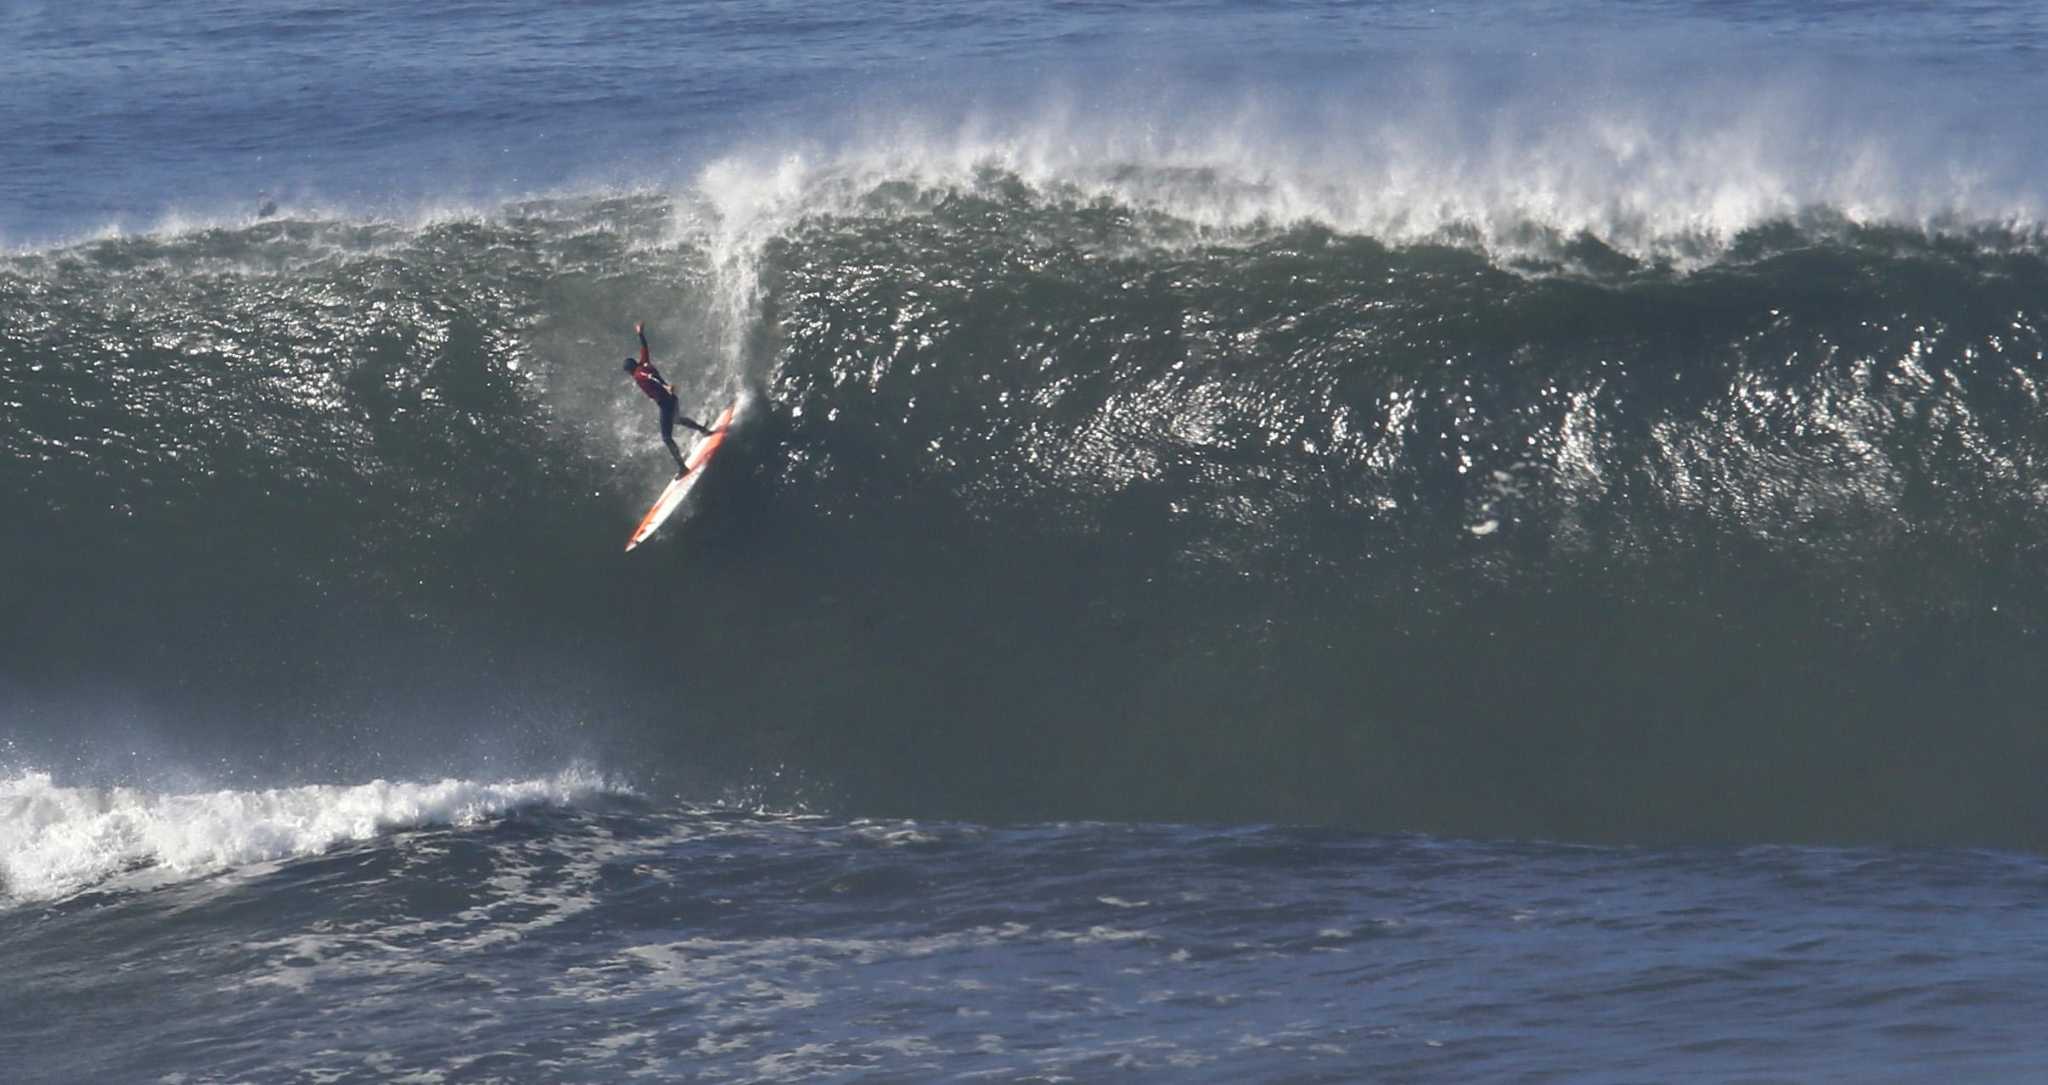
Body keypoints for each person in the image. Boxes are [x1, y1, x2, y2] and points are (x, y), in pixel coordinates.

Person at [623, 322, 713, 477]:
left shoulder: (638, 374)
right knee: (677, 419)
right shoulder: (644, 362)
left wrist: (664, 386)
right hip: (672, 398)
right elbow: (645, 347)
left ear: (629, 370)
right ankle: (703, 430)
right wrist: (640, 333)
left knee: (666, 438)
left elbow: (649, 377)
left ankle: (682, 467)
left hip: (665, 402)